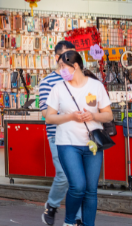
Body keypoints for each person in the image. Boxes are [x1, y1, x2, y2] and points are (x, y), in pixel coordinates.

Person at [45, 51, 113, 226]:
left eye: (62, 66)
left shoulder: (96, 86)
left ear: (75, 66)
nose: (60, 70)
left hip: (92, 145)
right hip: (67, 143)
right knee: (78, 186)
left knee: (91, 190)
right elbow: (49, 118)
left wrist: (93, 116)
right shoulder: (58, 88)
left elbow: (108, 115)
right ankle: (69, 222)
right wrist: (70, 117)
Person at [39, 40, 82, 226]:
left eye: (74, 55)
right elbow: (45, 113)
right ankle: (52, 204)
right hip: (57, 134)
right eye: (67, 56)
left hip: (79, 134)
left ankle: (77, 218)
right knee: (64, 174)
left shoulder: (78, 77)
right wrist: (69, 114)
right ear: (57, 58)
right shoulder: (47, 82)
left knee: (78, 178)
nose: (72, 59)